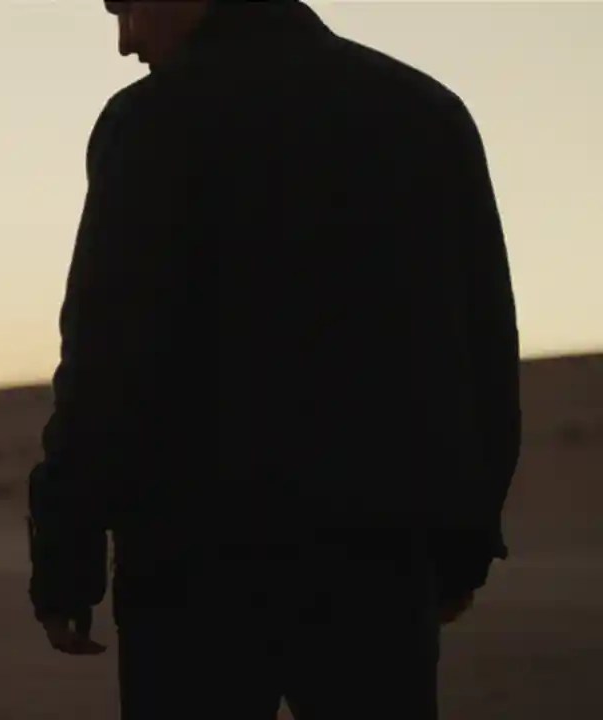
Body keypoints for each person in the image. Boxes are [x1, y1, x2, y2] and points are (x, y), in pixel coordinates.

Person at [26, 1, 521, 718]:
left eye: (127, 8)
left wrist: (65, 557)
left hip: (194, 563)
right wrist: (465, 534)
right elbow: (482, 344)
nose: (126, 41)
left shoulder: (155, 120)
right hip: (379, 557)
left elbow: (107, 355)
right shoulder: (423, 110)